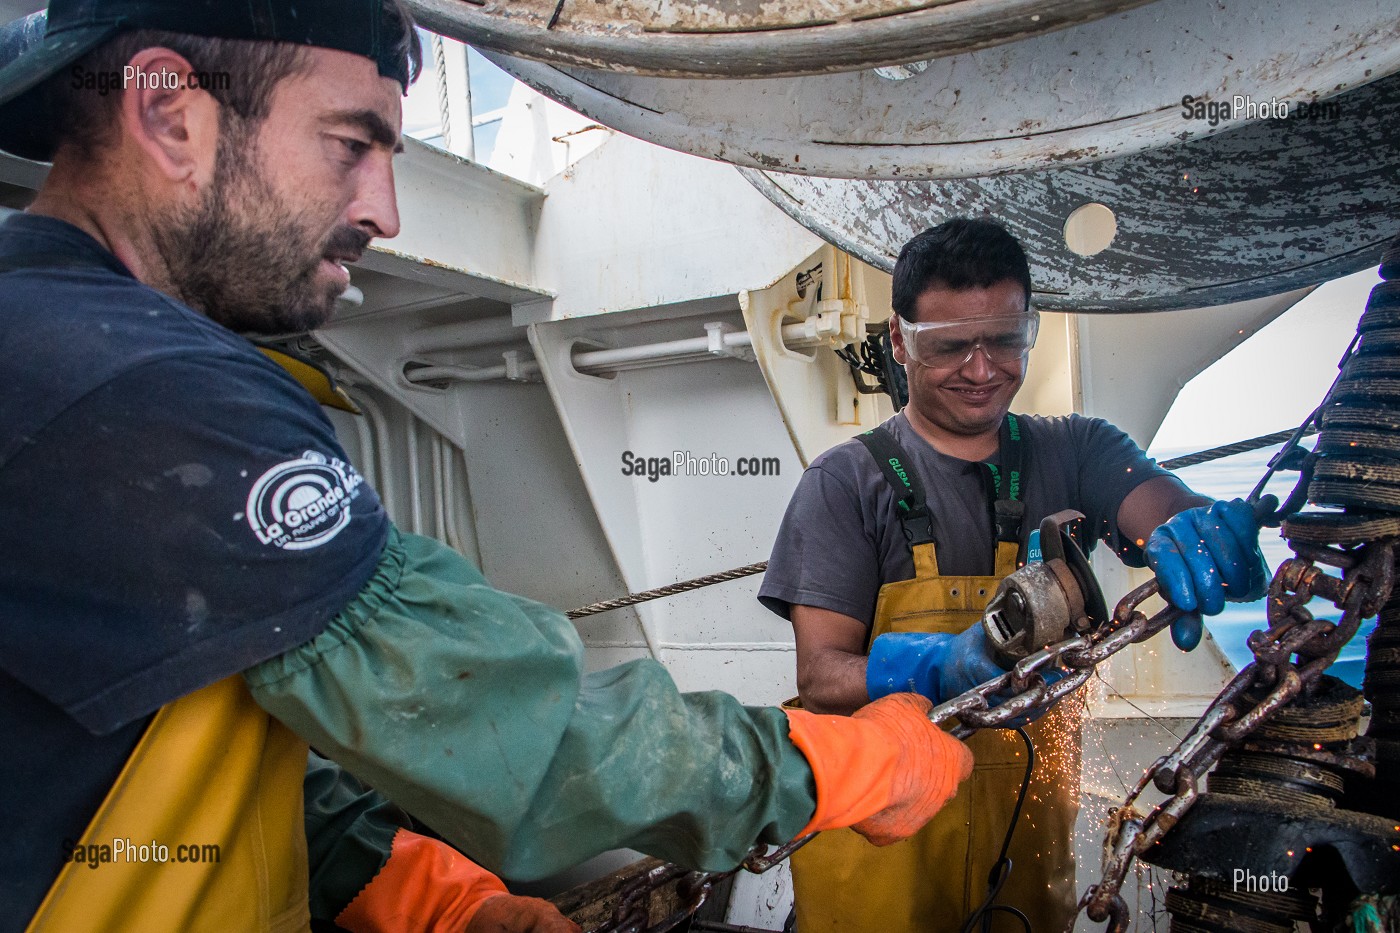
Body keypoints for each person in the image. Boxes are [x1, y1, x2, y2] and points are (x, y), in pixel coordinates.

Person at [0, 2, 977, 931]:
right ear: (171, 110)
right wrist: (842, 767)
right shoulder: (142, 388)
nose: (383, 210)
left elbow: (191, 758)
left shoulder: (62, 350)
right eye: (349, 145)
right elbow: (521, 739)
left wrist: (426, 897)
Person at [759, 217, 1270, 932]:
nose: (980, 368)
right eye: (949, 346)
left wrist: (1213, 539)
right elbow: (820, 675)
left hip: (1021, 864)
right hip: (877, 865)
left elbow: (1178, 518)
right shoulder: (845, 482)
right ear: (900, 341)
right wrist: (945, 664)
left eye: (1003, 340)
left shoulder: (1080, 450)